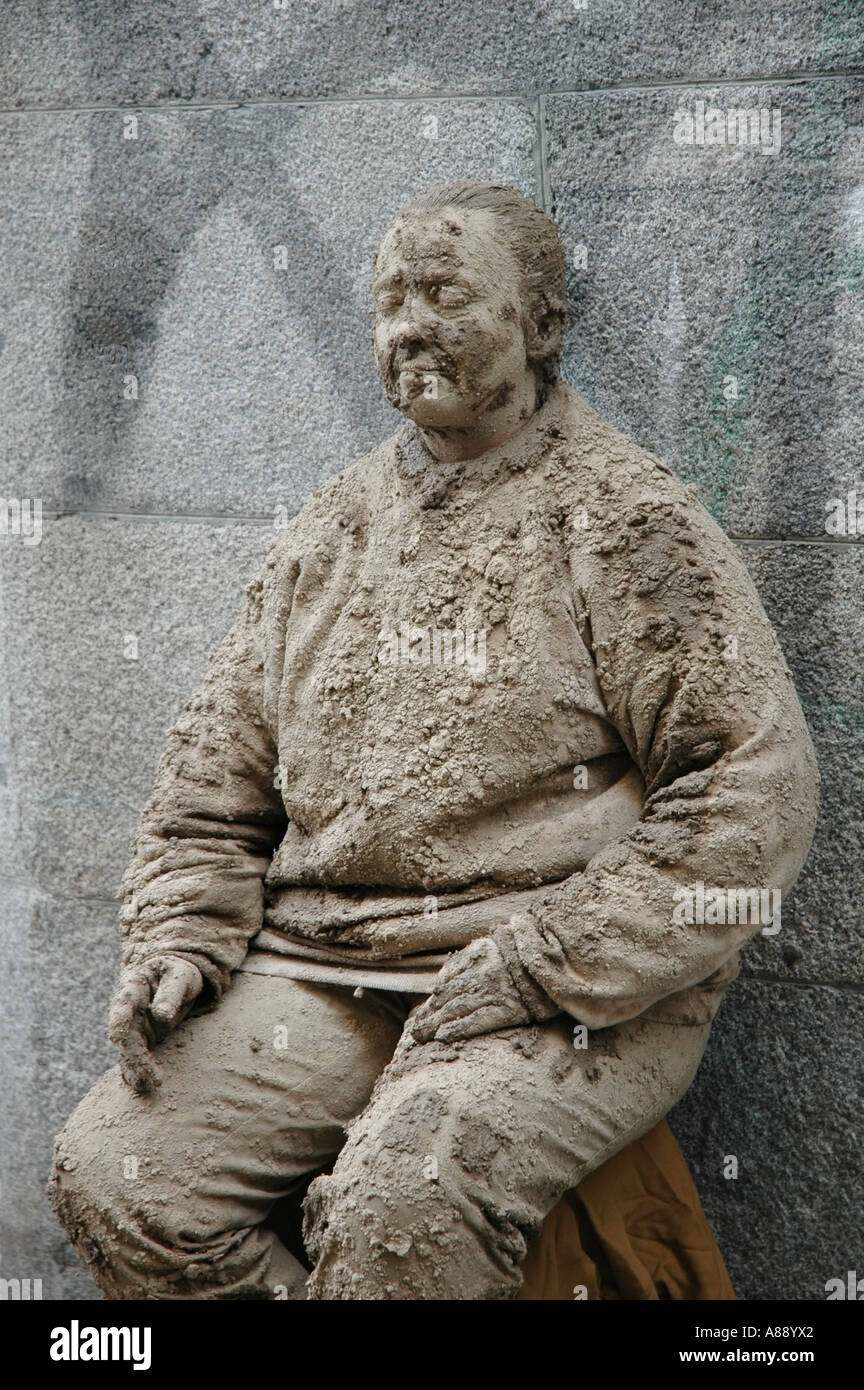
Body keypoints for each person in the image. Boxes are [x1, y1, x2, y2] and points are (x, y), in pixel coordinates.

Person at [48, 180, 818, 1300]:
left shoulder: (629, 521)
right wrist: (180, 934)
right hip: (320, 967)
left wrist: (539, 957)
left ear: (540, 325)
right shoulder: (331, 528)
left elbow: (751, 796)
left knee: (401, 1201)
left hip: (555, 983)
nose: (409, 324)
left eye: (447, 294)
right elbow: (211, 786)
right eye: (390, 300)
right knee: (117, 1176)